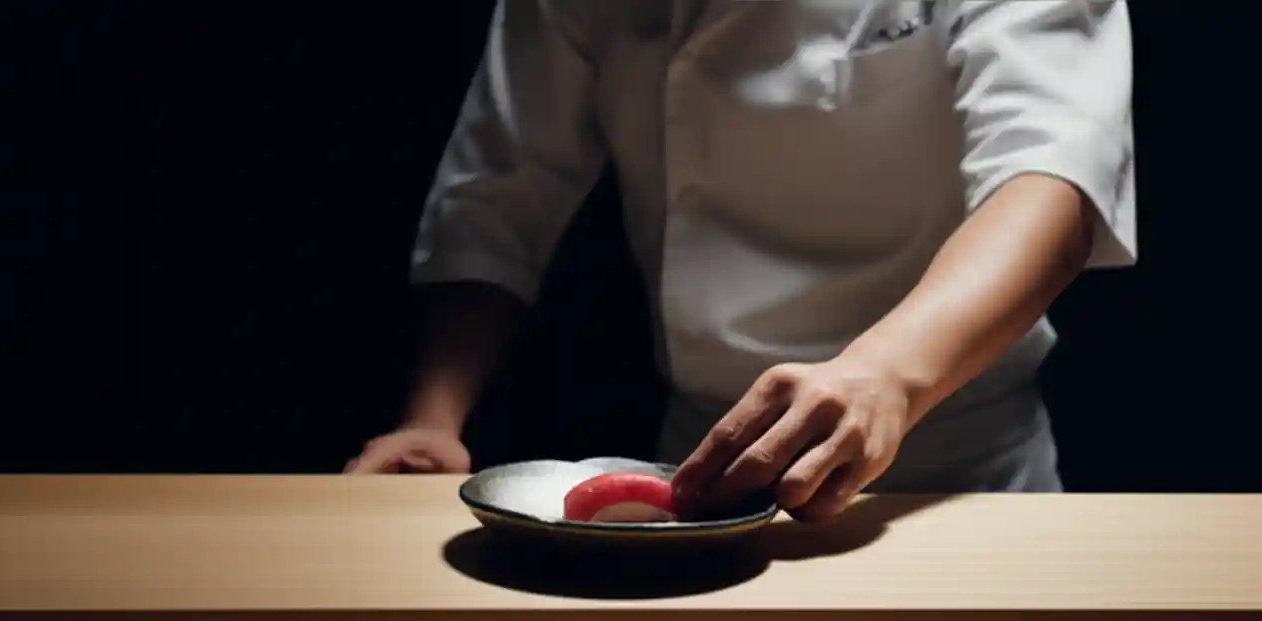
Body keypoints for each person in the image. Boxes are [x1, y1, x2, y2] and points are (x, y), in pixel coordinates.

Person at [345, 0, 1136, 521]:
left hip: (962, 478)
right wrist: (432, 418)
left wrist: (886, 376)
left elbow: (1051, 183)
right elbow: (499, 191)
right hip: (707, 474)